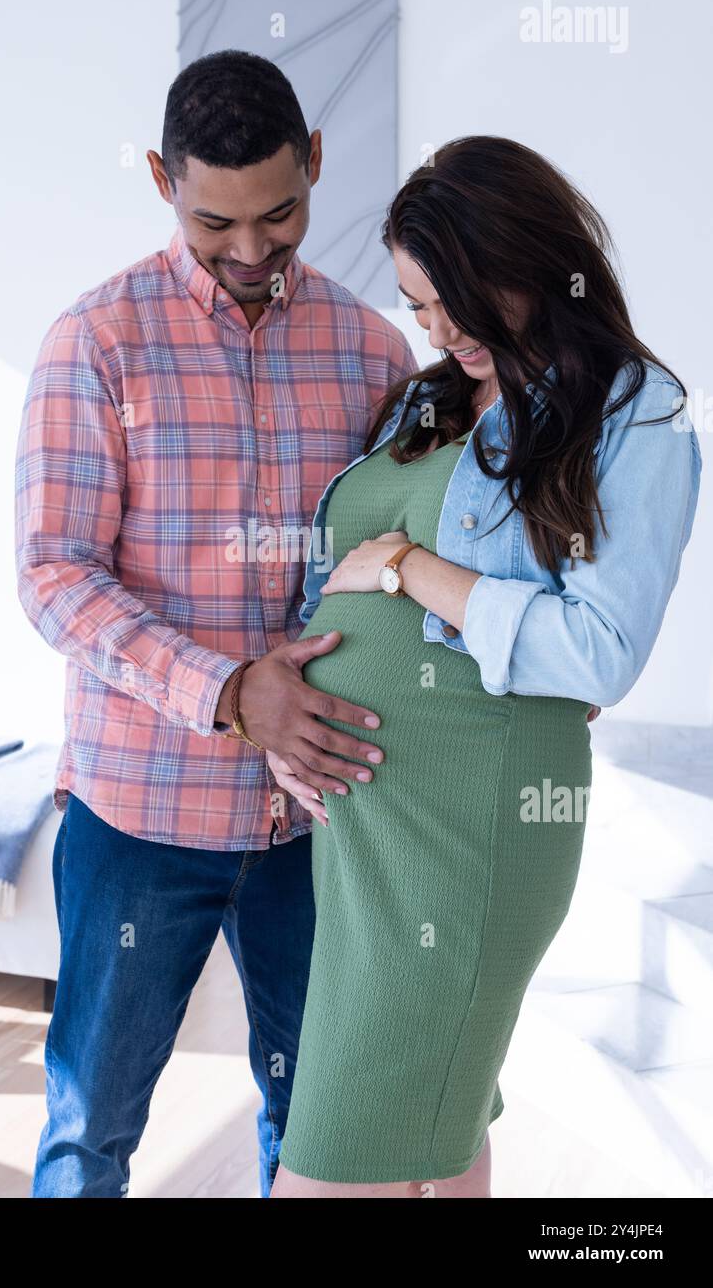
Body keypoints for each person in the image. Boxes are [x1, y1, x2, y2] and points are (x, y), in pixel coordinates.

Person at [258, 135, 702, 1198]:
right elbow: (341, 580)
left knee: (341, 1147)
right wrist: (290, 709)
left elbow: (599, 648)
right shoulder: (437, 398)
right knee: (439, 1131)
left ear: (536, 258)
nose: (442, 329)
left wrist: (413, 568)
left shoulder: (636, 414)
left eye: (459, 295)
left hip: (473, 825)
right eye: (419, 306)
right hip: (369, 826)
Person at [15, 49, 420, 1198]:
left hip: (318, 823)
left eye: (281, 215)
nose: (250, 253)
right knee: (92, 1126)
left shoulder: (374, 352)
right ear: (160, 180)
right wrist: (233, 690)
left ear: (319, 167)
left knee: (317, 1123)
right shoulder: (92, 344)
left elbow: (405, 557)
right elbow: (53, 574)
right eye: (214, 224)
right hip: (141, 812)